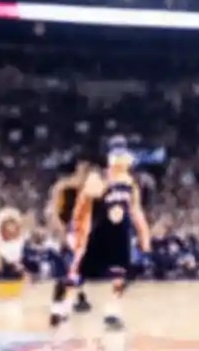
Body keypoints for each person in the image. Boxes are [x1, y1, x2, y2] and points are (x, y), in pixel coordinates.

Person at [65, 142, 151, 331]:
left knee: (120, 276)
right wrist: (75, 230)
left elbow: (136, 211)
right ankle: (78, 298)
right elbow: (81, 207)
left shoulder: (130, 186)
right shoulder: (97, 180)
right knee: (80, 272)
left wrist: (145, 236)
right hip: (97, 232)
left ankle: (112, 312)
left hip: (119, 236)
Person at [46, 160, 95, 319]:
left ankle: (71, 303)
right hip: (63, 234)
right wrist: (61, 233)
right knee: (65, 273)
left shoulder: (89, 192)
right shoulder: (63, 188)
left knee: (75, 273)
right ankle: (58, 309)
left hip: (78, 235)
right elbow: (52, 213)